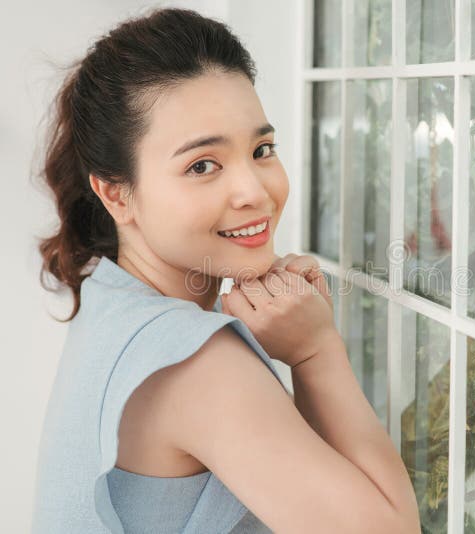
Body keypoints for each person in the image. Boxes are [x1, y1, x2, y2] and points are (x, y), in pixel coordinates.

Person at [30, 7, 420, 534]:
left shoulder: (109, 293)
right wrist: (315, 351)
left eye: (261, 150)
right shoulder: (191, 360)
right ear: (116, 194)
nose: (255, 192)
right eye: (202, 165)